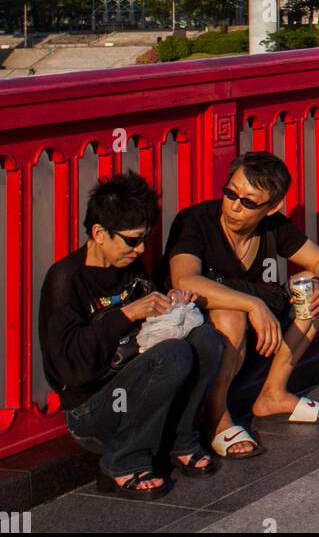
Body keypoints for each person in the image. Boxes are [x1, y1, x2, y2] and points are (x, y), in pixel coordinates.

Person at [38, 171, 224, 498]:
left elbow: (152, 330)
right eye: (131, 240)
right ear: (98, 233)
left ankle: (182, 440)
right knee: (173, 354)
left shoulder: (130, 266)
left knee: (206, 339)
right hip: (92, 410)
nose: (140, 249)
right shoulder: (66, 279)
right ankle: (123, 462)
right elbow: (70, 368)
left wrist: (174, 305)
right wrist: (128, 314)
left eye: (144, 239)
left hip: (141, 392)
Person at [165, 151, 319, 459]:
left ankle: (273, 392)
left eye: (249, 202)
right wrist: (253, 304)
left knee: (310, 286)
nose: (234, 206)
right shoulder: (195, 220)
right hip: (196, 331)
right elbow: (184, 281)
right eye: (230, 193)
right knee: (231, 313)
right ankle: (217, 417)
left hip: (251, 331)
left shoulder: (273, 227)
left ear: (272, 207)